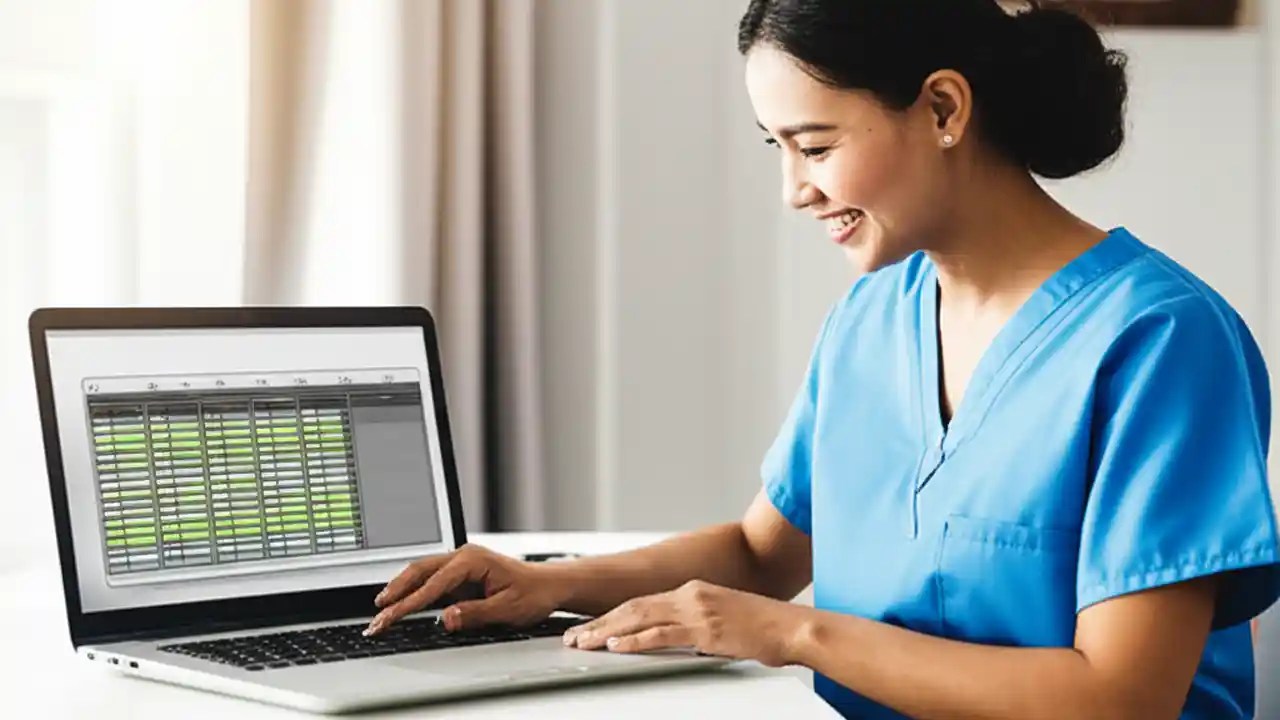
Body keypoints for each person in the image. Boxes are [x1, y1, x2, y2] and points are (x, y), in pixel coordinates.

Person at [365, 1, 1280, 716]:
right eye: (777, 148)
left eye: (815, 145)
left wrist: (792, 635)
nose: (794, 190)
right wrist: (551, 585)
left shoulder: (1158, 340)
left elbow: (1120, 701)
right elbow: (762, 552)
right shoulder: (873, 316)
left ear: (944, 109)